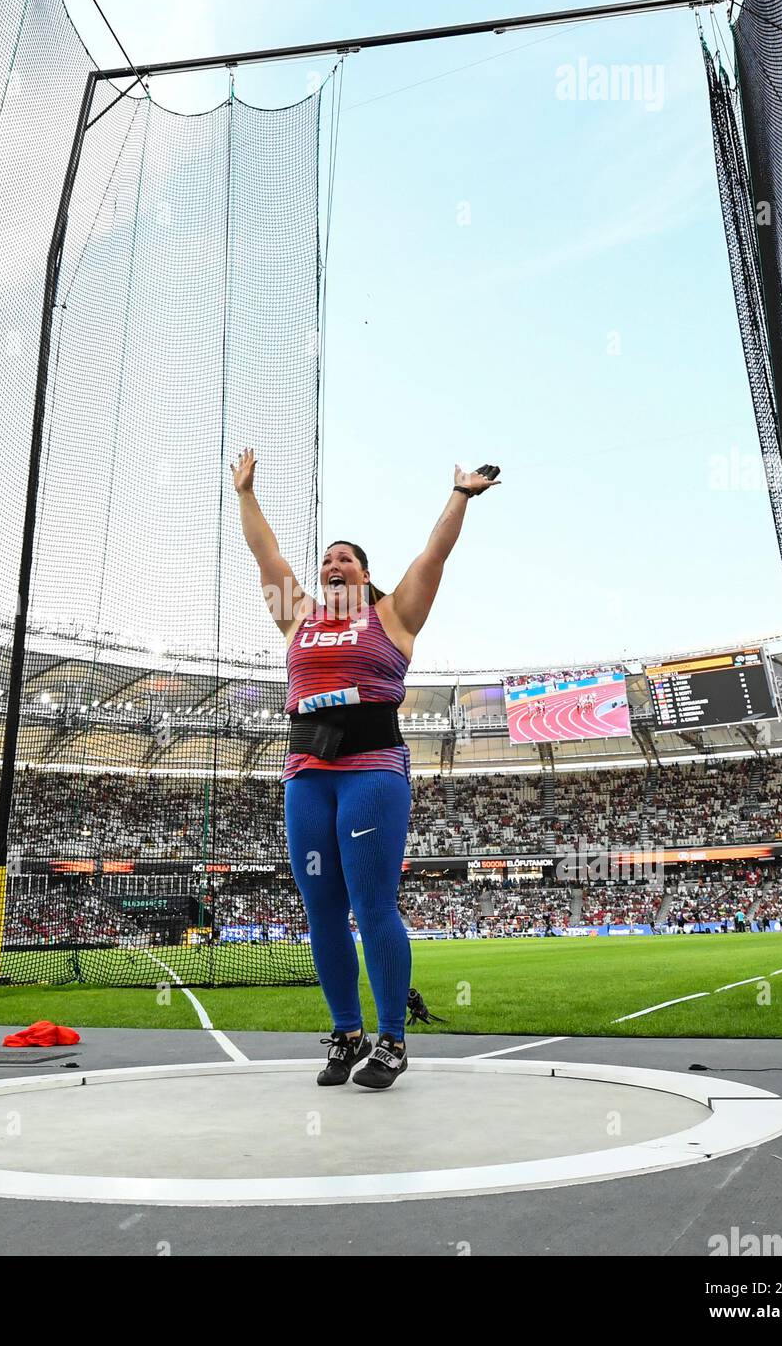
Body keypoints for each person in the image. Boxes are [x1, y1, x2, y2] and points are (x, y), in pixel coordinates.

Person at [232, 447, 499, 1089]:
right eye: (326, 559)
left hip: (372, 770)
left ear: (366, 572)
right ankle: (346, 1034)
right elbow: (265, 554)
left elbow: (432, 557)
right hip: (306, 773)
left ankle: (392, 1040)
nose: (331, 564)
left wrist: (460, 494)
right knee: (321, 908)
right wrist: (245, 493)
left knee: (372, 905)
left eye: (344, 557)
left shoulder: (393, 616)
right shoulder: (298, 618)